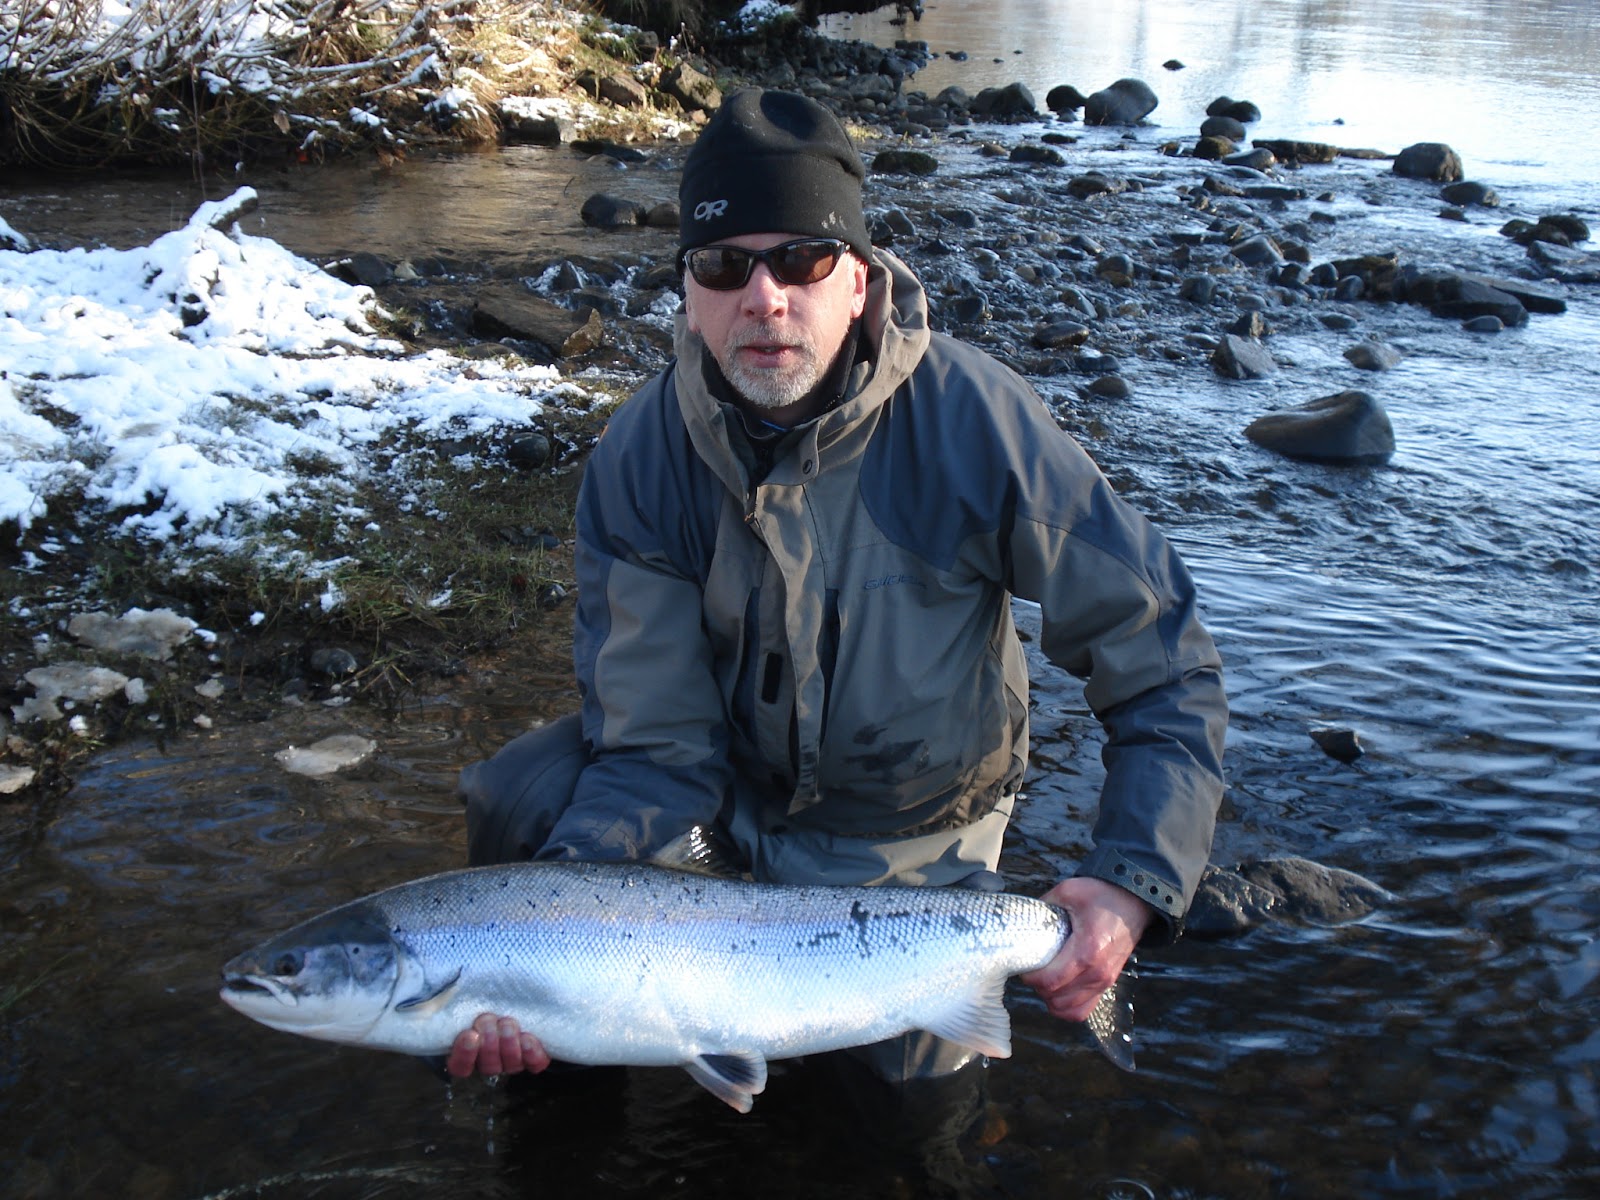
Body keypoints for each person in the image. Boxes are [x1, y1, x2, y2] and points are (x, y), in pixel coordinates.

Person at [449, 88, 1227, 1084]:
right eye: (724, 266)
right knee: (526, 799)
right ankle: (550, 1093)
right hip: (722, 811)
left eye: (802, 261)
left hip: (912, 833)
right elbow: (652, 746)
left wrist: (1129, 886)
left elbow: (1161, 659)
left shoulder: (975, 423)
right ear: (687, 293)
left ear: (858, 282)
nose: (764, 298)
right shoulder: (642, 456)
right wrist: (547, 925)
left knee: (903, 1108)